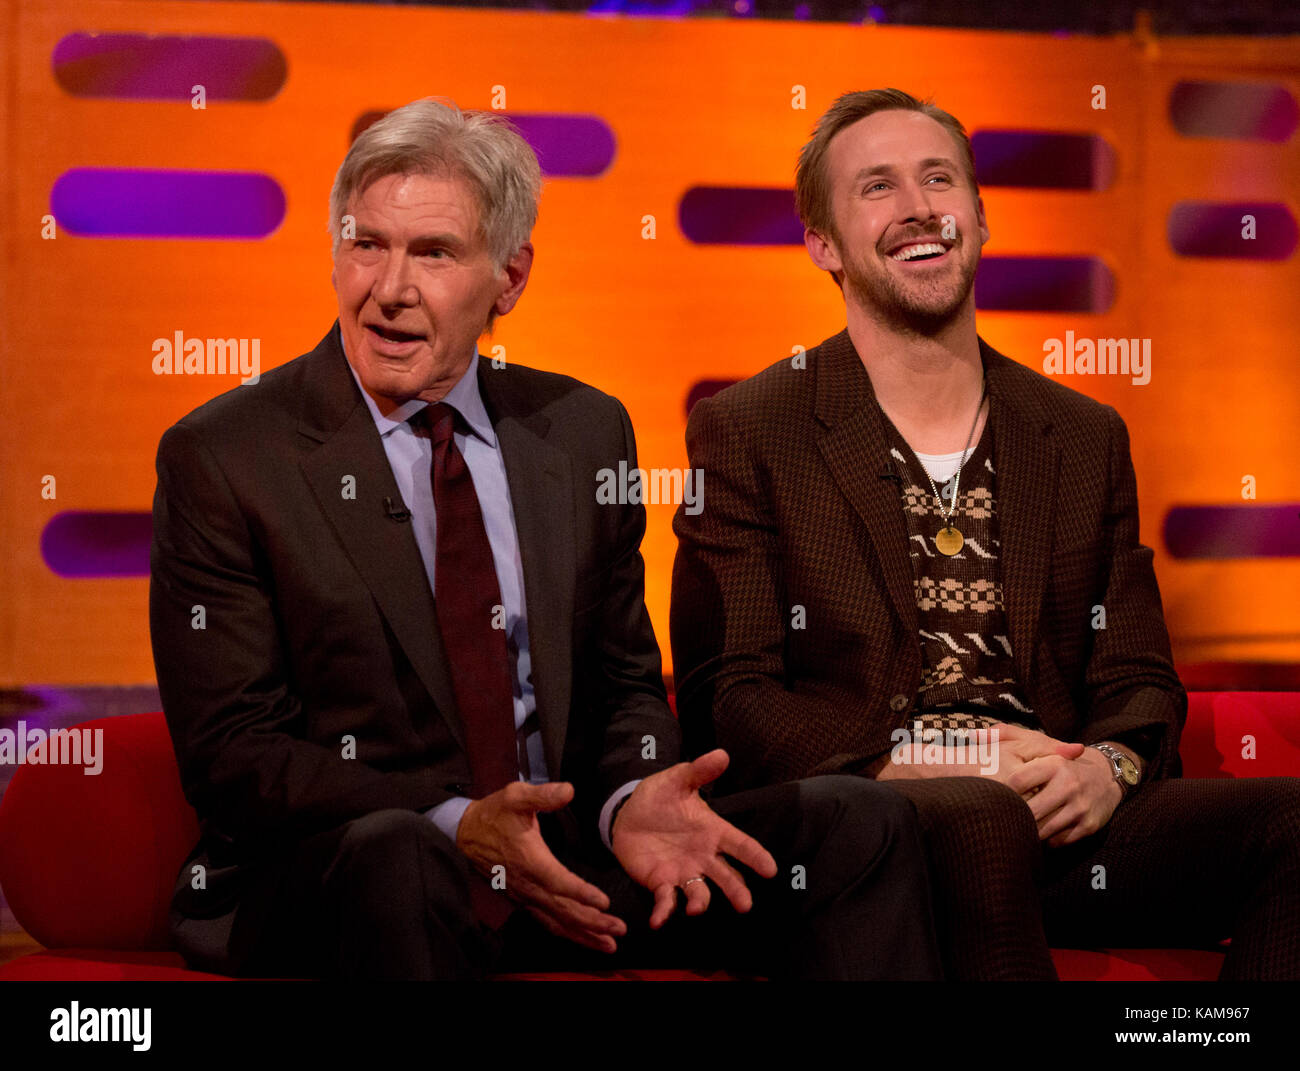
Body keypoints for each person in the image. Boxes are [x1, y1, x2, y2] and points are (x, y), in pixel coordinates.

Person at [148, 96, 943, 981]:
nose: (388, 288)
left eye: (434, 252)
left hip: (566, 865)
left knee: (858, 824)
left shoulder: (579, 432)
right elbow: (234, 753)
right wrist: (457, 822)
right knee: (399, 859)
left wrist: (631, 799)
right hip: (348, 872)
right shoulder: (226, 457)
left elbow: (622, 684)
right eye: (366, 243)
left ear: (511, 278)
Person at [670, 87, 1300, 980]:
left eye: (939, 179)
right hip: (875, 826)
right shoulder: (750, 429)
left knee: (1292, 824)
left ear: (978, 215)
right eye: (878, 188)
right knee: (977, 812)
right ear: (822, 243)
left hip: (1055, 809)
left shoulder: (1082, 434)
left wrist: (1107, 770)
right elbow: (728, 697)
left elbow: (1137, 677)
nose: (920, 207)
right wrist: (920, 761)